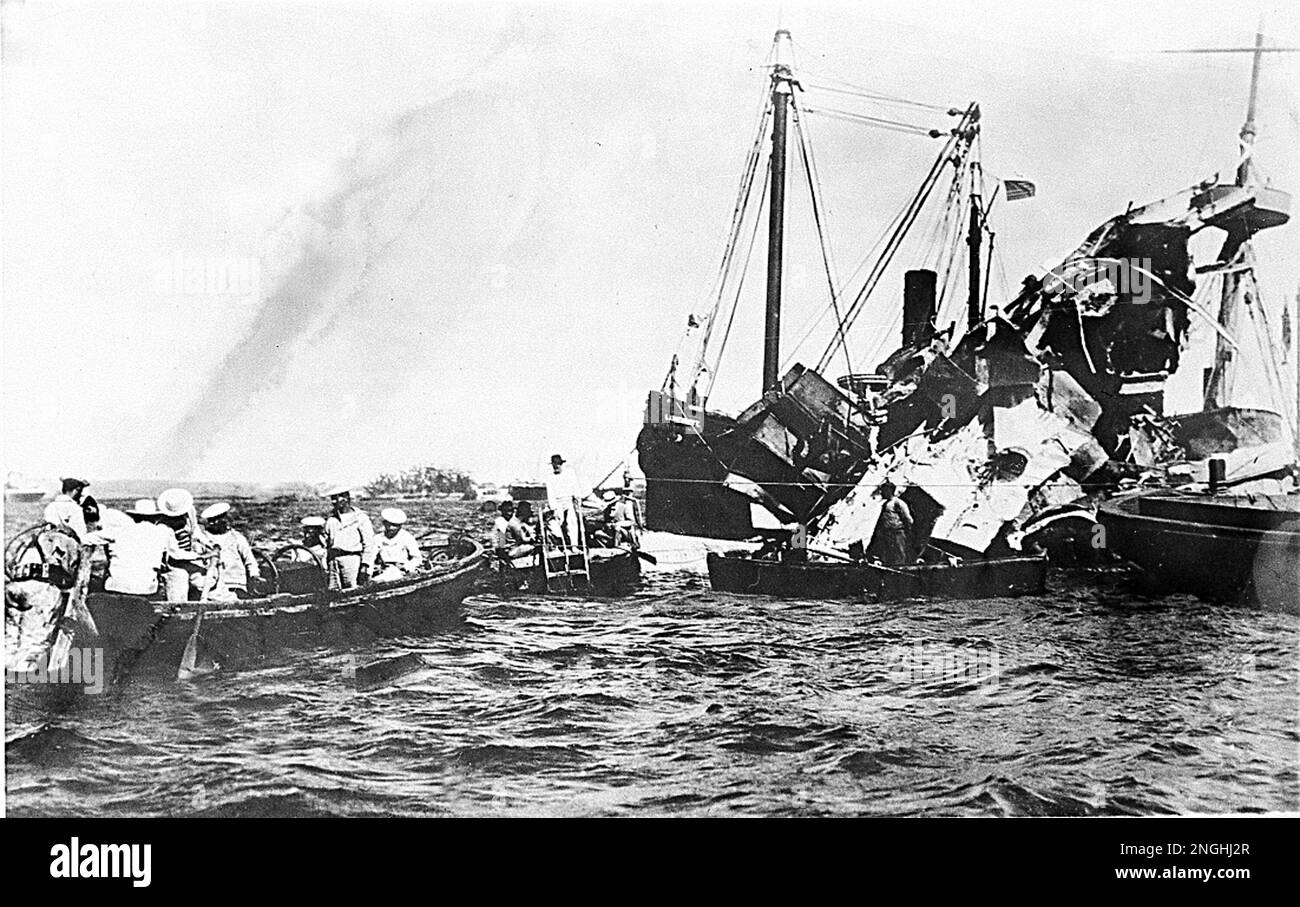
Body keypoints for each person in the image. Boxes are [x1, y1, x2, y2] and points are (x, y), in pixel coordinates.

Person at [97, 499, 175, 596]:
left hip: (115, 586)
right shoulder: (162, 532)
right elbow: (169, 558)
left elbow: (88, 538)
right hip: (146, 589)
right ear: (155, 518)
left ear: (133, 517)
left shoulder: (119, 530)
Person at [156, 487, 217, 602]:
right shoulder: (163, 526)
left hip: (190, 557)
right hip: (173, 563)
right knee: (179, 587)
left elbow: (195, 531)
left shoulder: (190, 512)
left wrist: (209, 544)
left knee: (206, 580)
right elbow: (175, 553)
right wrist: (201, 556)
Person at [199, 502, 262, 600]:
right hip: (212, 586)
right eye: (210, 521)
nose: (211, 524)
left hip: (235, 585)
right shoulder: (204, 538)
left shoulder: (237, 538)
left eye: (215, 521)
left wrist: (254, 576)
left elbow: (250, 562)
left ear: (223, 520)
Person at [322, 485, 376, 590]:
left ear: (345, 498)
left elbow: (369, 544)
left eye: (335, 498)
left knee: (353, 590)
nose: (333, 502)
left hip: (352, 560)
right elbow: (326, 544)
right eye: (332, 498)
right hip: (333, 561)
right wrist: (325, 563)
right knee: (333, 591)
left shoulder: (361, 518)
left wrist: (365, 565)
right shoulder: (331, 520)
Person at [545, 454, 588, 548]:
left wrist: (578, 498)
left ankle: (574, 546)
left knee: (572, 523)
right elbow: (550, 494)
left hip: (568, 501)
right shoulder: (550, 477)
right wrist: (554, 508)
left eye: (558, 464)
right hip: (557, 503)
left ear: (561, 464)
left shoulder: (569, 473)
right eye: (554, 465)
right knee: (557, 524)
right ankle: (561, 545)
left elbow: (575, 486)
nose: (556, 466)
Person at [372, 507, 422, 583]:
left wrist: (406, 566)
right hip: (385, 568)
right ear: (384, 523)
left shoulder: (406, 537)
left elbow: (417, 558)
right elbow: (371, 556)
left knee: (387, 578)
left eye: (395, 525)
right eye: (388, 525)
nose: (391, 528)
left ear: (400, 526)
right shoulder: (378, 538)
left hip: (402, 570)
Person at [874, 479, 914, 566]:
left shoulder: (898, 503)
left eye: (883, 490)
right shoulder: (885, 504)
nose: (881, 493)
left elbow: (908, 519)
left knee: (899, 554)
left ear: (889, 491)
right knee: (889, 555)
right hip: (887, 533)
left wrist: (908, 532)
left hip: (897, 532)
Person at [492, 501, 515, 569]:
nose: (509, 513)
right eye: (506, 511)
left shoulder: (514, 520)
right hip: (503, 548)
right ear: (502, 511)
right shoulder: (500, 522)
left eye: (511, 511)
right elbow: (501, 540)